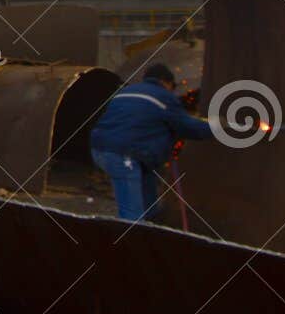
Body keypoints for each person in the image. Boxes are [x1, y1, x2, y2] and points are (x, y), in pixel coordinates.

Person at [89, 62, 214, 221]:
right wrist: (217, 127)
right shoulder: (164, 96)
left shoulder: (126, 91)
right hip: (123, 156)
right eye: (173, 86)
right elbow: (188, 127)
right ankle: (133, 239)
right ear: (166, 82)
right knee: (132, 217)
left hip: (99, 149)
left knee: (147, 176)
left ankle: (152, 219)